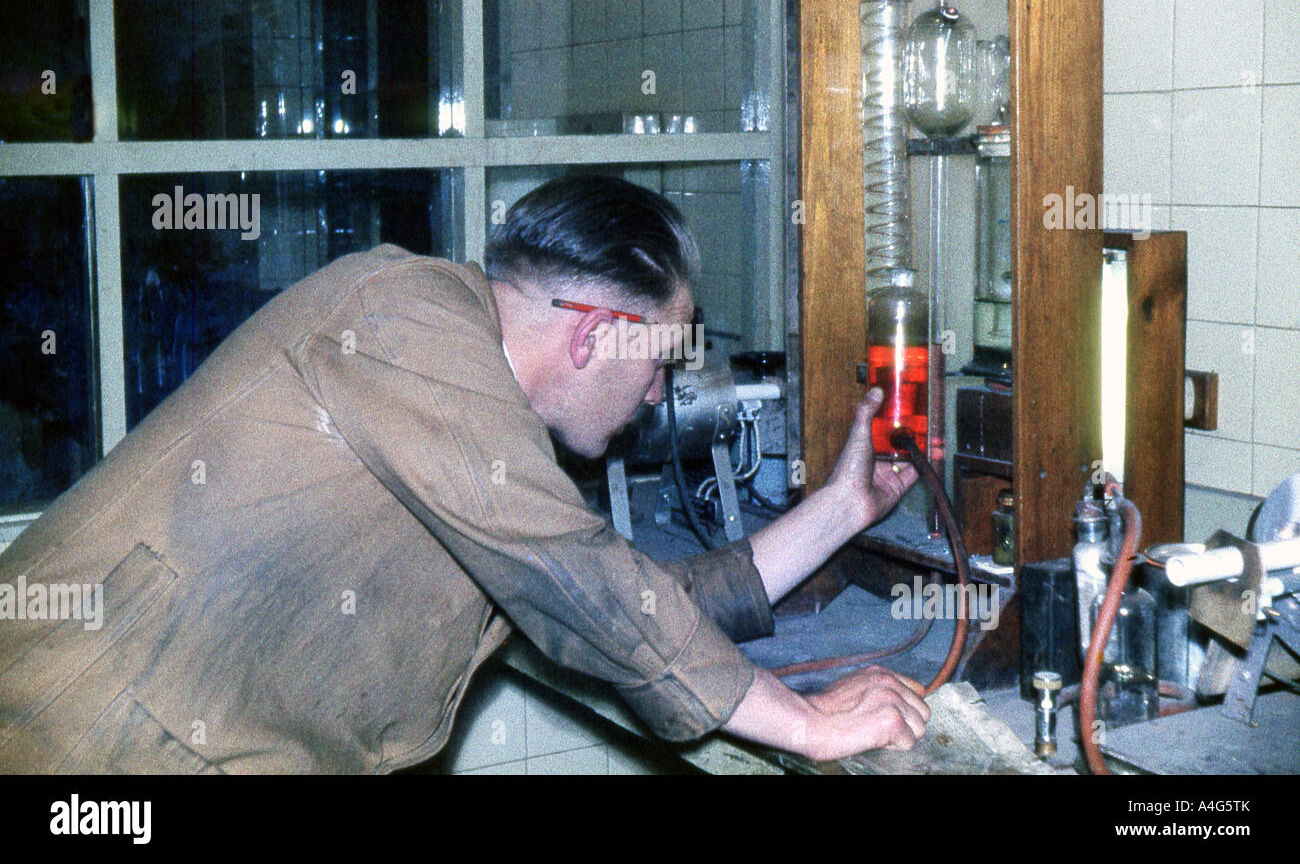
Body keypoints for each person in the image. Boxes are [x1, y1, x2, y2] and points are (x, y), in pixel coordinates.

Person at [0, 175, 928, 773]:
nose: (656, 396)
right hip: (66, 750)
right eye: (658, 364)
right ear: (595, 335)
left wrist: (840, 510)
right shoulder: (406, 312)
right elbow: (576, 574)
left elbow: (619, 599)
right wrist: (807, 726)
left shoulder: (469, 449)